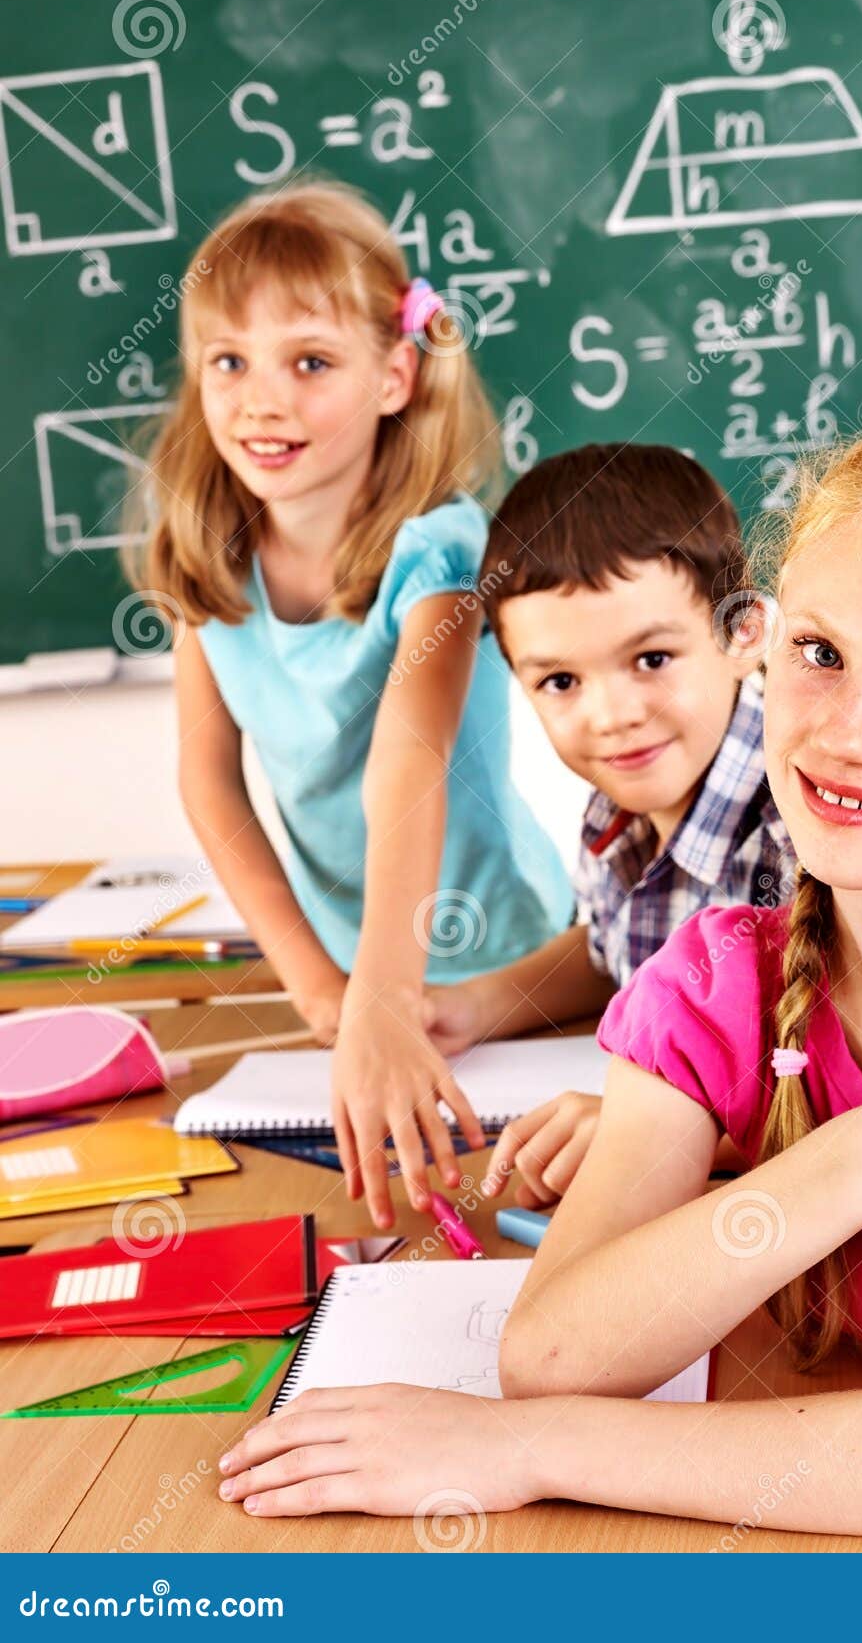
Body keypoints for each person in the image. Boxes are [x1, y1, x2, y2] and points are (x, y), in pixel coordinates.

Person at [217, 423, 862, 1552]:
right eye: (820, 653)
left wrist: (524, 1447)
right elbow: (557, 1354)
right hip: (843, 1556)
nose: (849, 732)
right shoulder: (720, 980)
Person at [134, 179, 571, 1225]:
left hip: (511, 962)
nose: (260, 400)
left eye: (310, 362)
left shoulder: (442, 551)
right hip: (350, 974)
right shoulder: (211, 555)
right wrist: (320, 988)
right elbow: (209, 783)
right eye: (228, 361)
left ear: (394, 376)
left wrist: (382, 997)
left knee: (507, 1198)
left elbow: (407, 762)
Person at [423, 443, 794, 1206]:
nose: (611, 716)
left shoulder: (803, 832)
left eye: (651, 659)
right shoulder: (615, 813)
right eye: (561, 680)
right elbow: (615, 950)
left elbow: (861, 1092)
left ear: (742, 633)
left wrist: (651, 1136)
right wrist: (473, 1006)